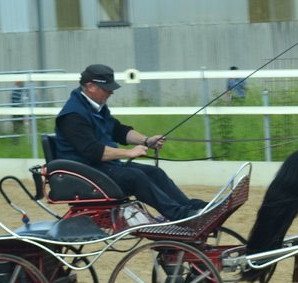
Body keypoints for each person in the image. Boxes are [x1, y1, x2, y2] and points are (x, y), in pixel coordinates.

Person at [52, 64, 205, 221]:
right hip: (85, 173)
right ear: (90, 86)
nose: (111, 92)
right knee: (135, 177)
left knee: (154, 173)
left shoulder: (95, 107)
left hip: (101, 168)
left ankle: (190, 207)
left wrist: (146, 140)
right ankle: (179, 215)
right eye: (107, 88)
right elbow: (92, 151)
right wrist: (129, 153)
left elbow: (118, 130)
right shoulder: (73, 115)